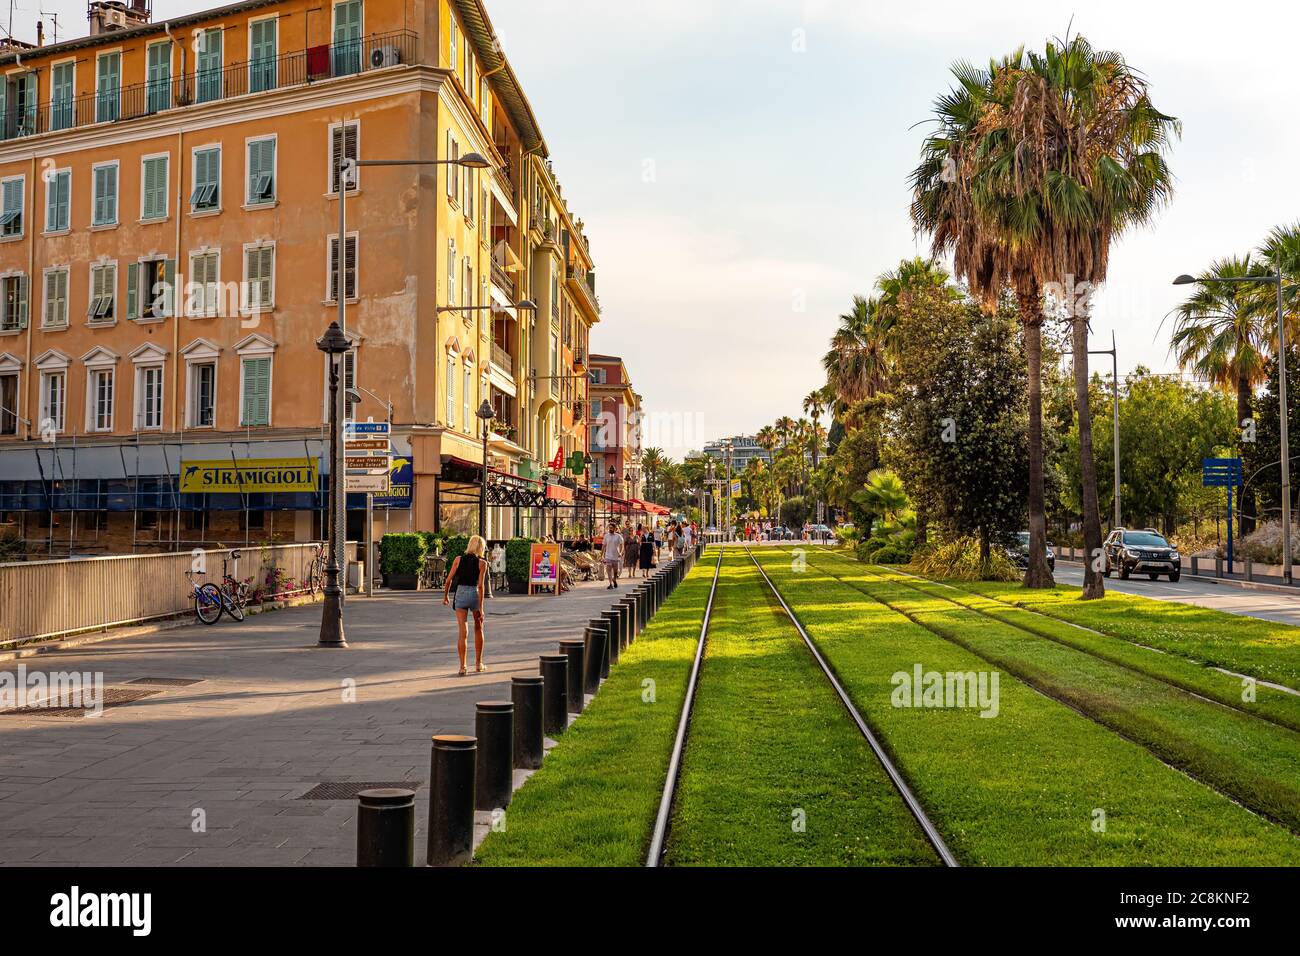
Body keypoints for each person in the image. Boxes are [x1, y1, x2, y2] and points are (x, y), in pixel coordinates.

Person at [443, 535, 489, 677]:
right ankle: (478, 664)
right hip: (474, 593)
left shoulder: (458, 560)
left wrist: (446, 596)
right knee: (478, 627)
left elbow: (448, 580)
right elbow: (481, 586)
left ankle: (463, 666)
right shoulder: (482, 563)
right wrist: (481, 607)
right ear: (481, 548)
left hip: (461, 593)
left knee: (463, 631)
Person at [603, 521, 624, 589]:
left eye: (612, 528)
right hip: (608, 555)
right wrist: (601, 555)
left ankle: (614, 579)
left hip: (615, 556)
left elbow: (622, 545)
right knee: (608, 570)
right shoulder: (606, 536)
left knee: (615, 571)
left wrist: (620, 552)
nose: (610, 529)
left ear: (615, 529)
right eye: (609, 528)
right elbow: (604, 545)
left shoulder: (618, 536)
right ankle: (610, 584)